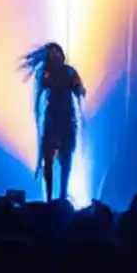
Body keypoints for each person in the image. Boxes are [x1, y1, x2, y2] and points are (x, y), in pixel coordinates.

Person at [20, 42, 86, 202]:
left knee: (65, 159)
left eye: (57, 52)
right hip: (52, 120)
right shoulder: (45, 73)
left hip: (66, 120)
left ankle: (62, 195)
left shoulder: (69, 72)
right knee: (48, 160)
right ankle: (49, 198)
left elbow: (78, 89)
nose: (55, 55)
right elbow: (40, 91)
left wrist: (79, 90)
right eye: (52, 52)